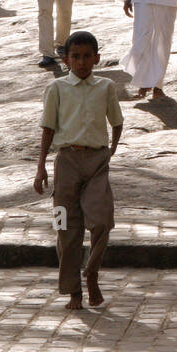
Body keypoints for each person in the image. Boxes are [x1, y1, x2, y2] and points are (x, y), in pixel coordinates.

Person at [34, 29, 123, 311]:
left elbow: (117, 122)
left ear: (97, 58)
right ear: (66, 59)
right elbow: (48, 128)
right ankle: (74, 291)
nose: (82, 62)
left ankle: (92, 271)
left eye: (87, 57)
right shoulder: (56, 89)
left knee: (101, 220)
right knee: (64, 227)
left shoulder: (106, 87)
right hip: (66, 164)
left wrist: (112, 150)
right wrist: (41, 167)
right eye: (76, 57)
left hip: (97, 162)